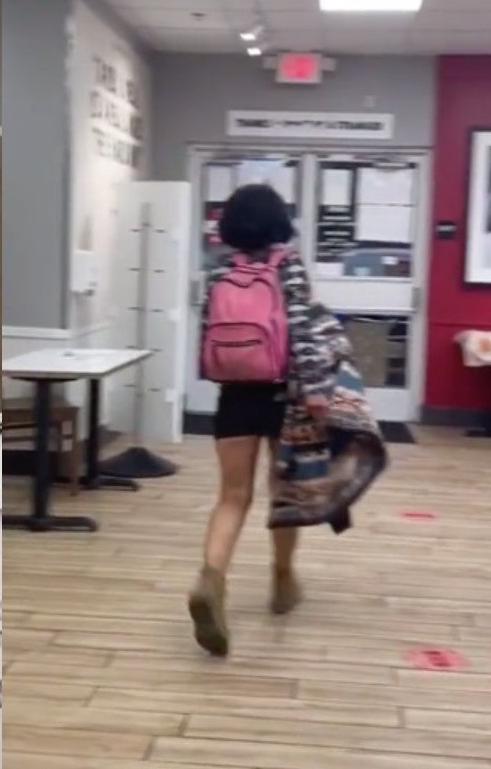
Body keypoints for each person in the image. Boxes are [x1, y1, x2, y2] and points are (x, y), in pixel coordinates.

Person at [190, 183, 334, 657]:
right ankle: (282, 580)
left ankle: (211, 581)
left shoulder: (218, 269)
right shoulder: (287, 264)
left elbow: (208, 329)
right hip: (283, 395)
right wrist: (316, 392)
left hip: (234, 395)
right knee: (284, 495)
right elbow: (305, 330)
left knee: (232, 497)